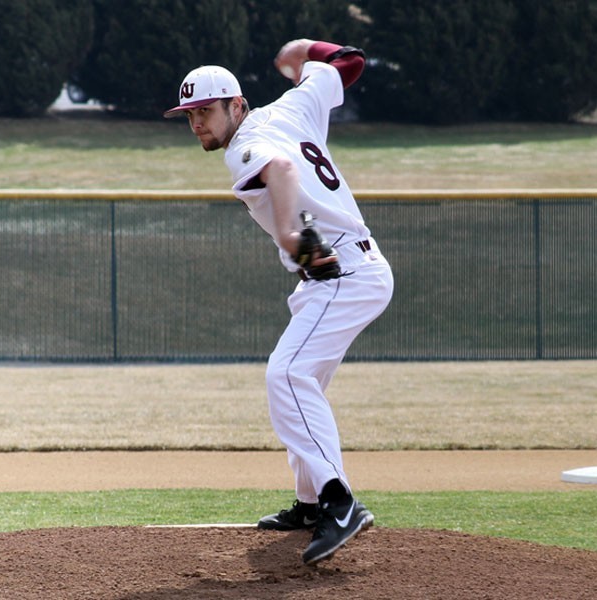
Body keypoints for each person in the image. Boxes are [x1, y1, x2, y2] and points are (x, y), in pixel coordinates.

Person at [164, 39, 394, 566]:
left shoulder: (243, 145)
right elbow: (350, 61)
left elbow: (283, 172)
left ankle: (340, 503)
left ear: (236, 106)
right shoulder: (296, 102)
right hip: (341, 270)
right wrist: (304, 49)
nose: (198, 122)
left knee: (286, 376)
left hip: (339, 270)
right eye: (190, 114)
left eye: (207, 111)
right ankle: (311, 504)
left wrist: (291, 232)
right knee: (303, 384)